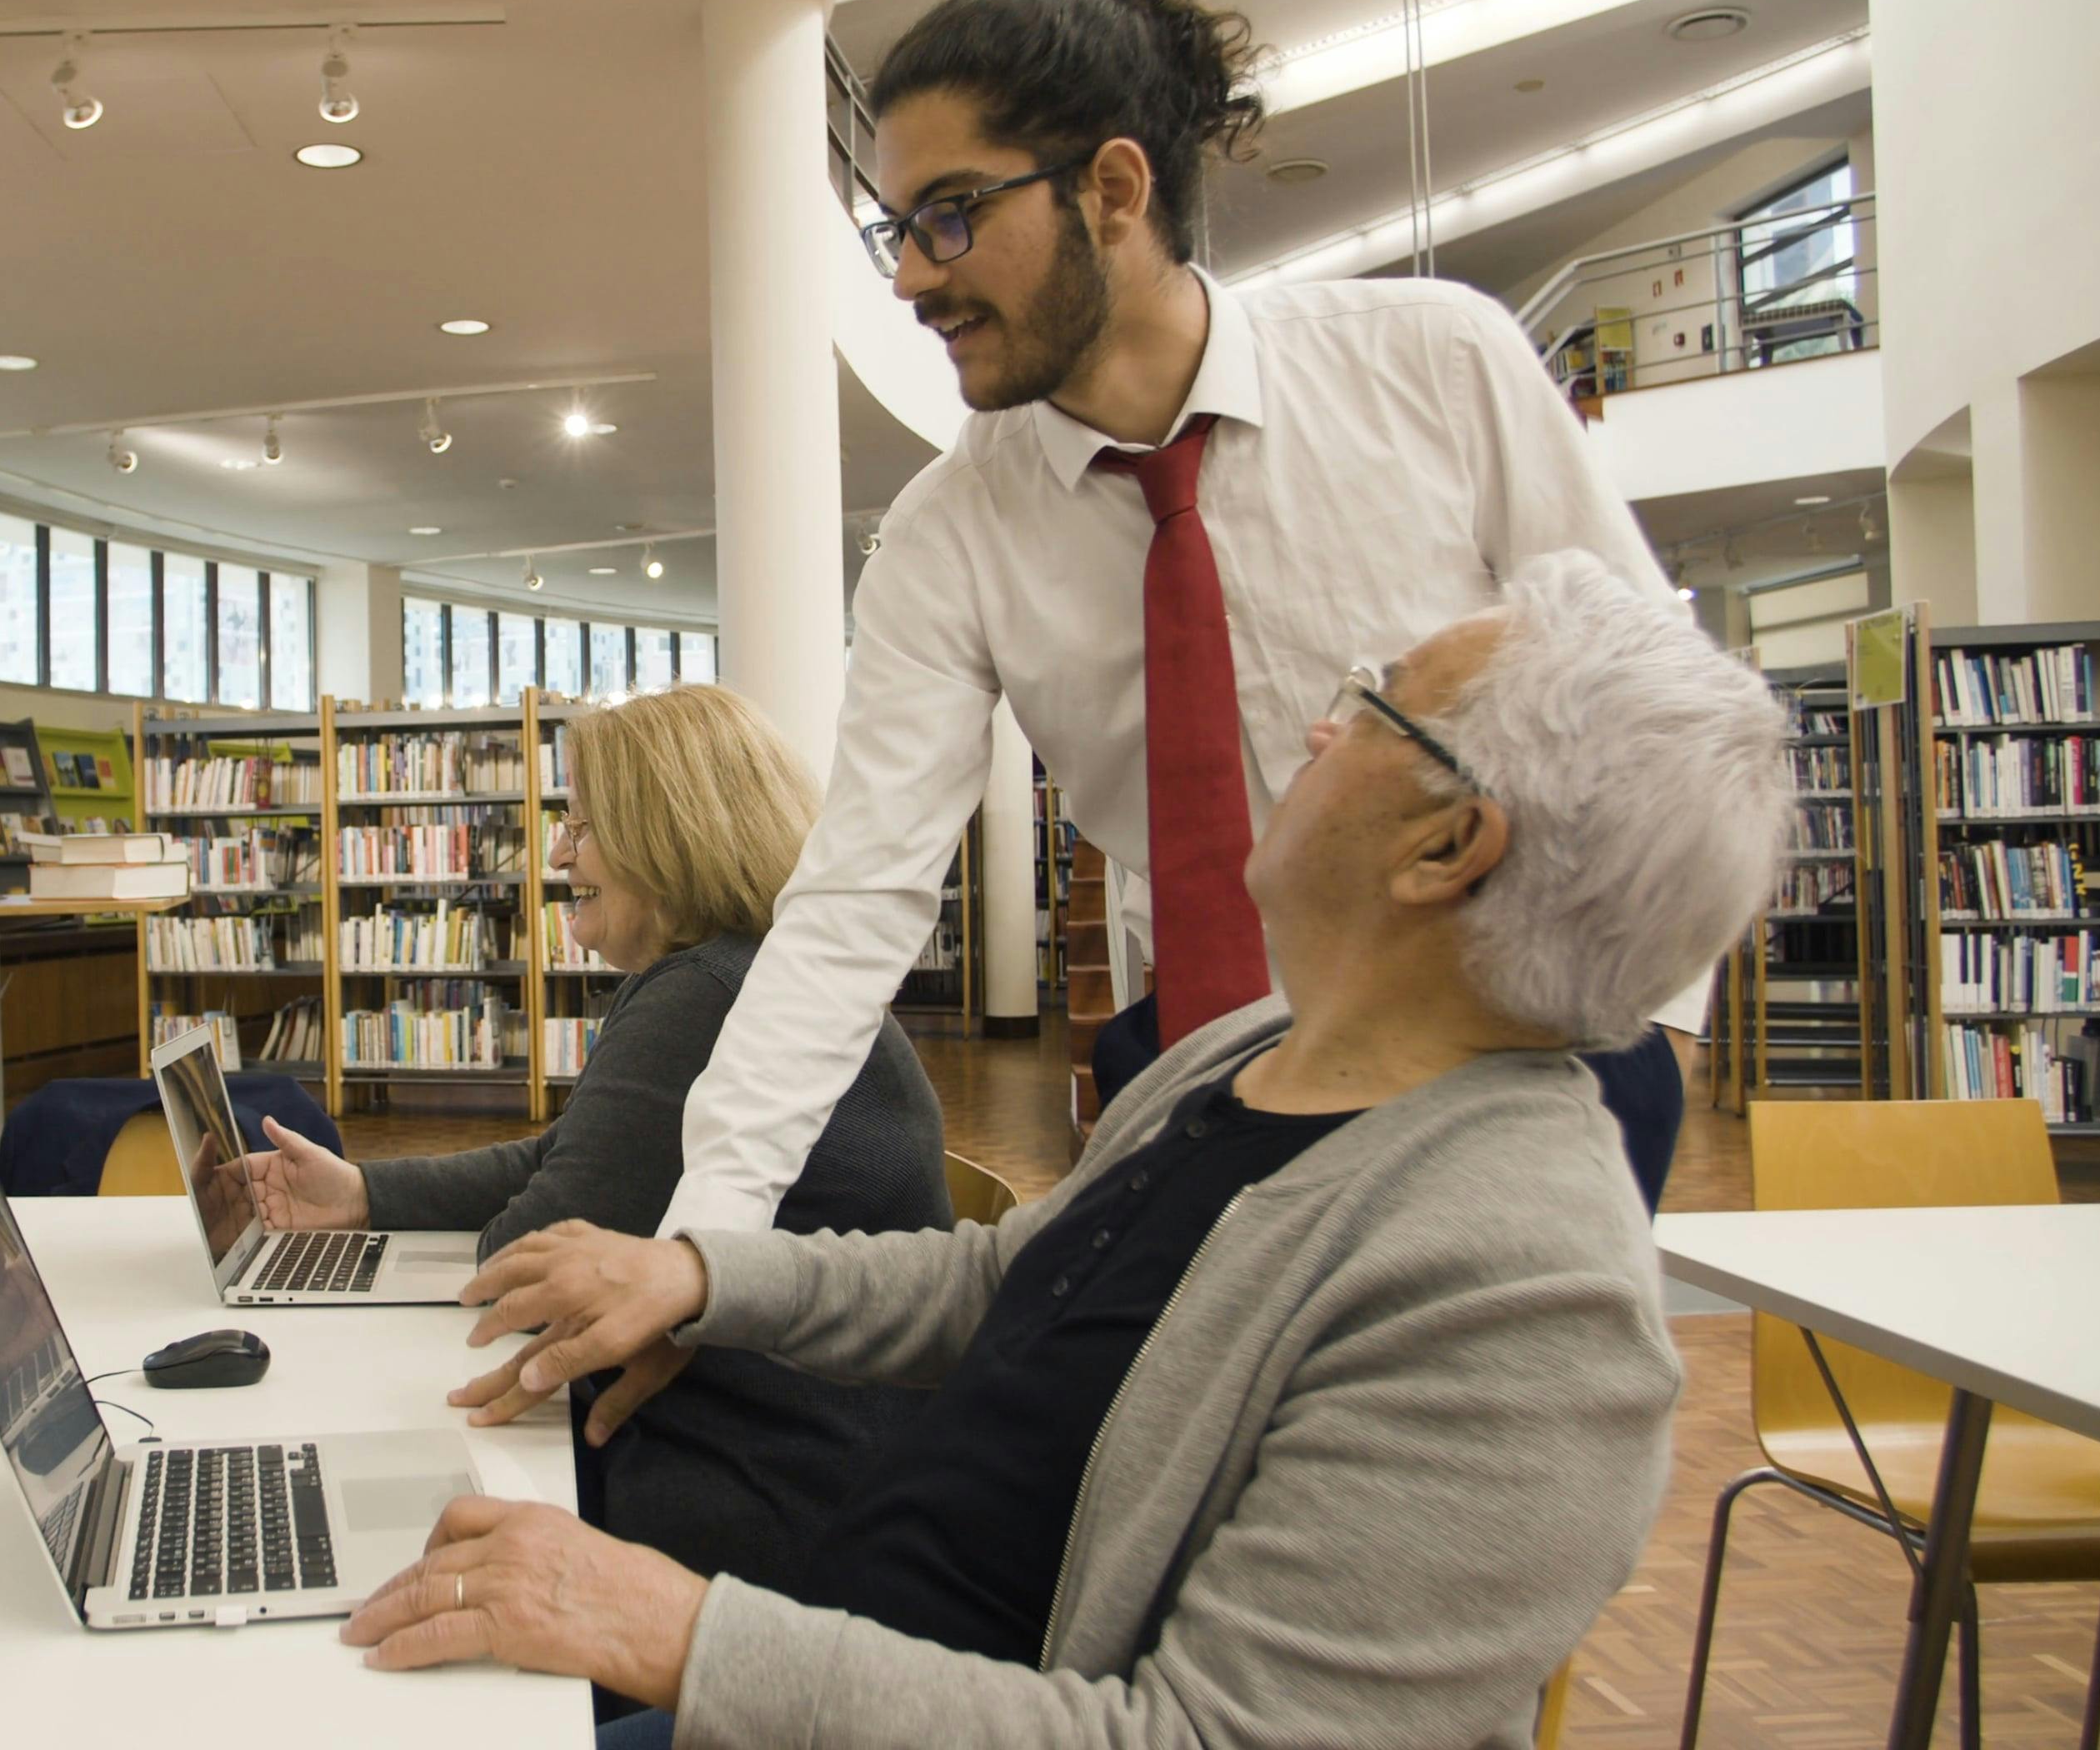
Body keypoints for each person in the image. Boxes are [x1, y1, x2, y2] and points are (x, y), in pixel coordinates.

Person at [346, 554, 1790, 1748]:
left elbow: (1199, 1740)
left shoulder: (1527, 1299)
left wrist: (684, 1634)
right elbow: (1003, 1282)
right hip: (845, 1650)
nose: (1312, 731)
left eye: (1373, 712)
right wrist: (705, 1279)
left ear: (1448, 847)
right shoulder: (1247, 1062)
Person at [645, 0, 1698, 1267]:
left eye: (952, 213)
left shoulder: (1437, 364)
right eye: (896, 228)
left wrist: (1658, 1023)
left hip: (1515, 1047)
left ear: (1115, 188)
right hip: (1209, 1068)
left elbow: (1658, 716)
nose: (911, 278)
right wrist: (706, 1235)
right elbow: (859, 892)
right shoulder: (949, 532)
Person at [248, 684, 951, 1598]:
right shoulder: (753, 976)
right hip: (848, 1467)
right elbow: (565, 1163)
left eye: (584, 825)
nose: (559, 852)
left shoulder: (703, 992)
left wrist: (508, 1213)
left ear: (669, 837)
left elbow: (529, 1248)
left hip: (766, 1511)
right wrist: (363, 1194)